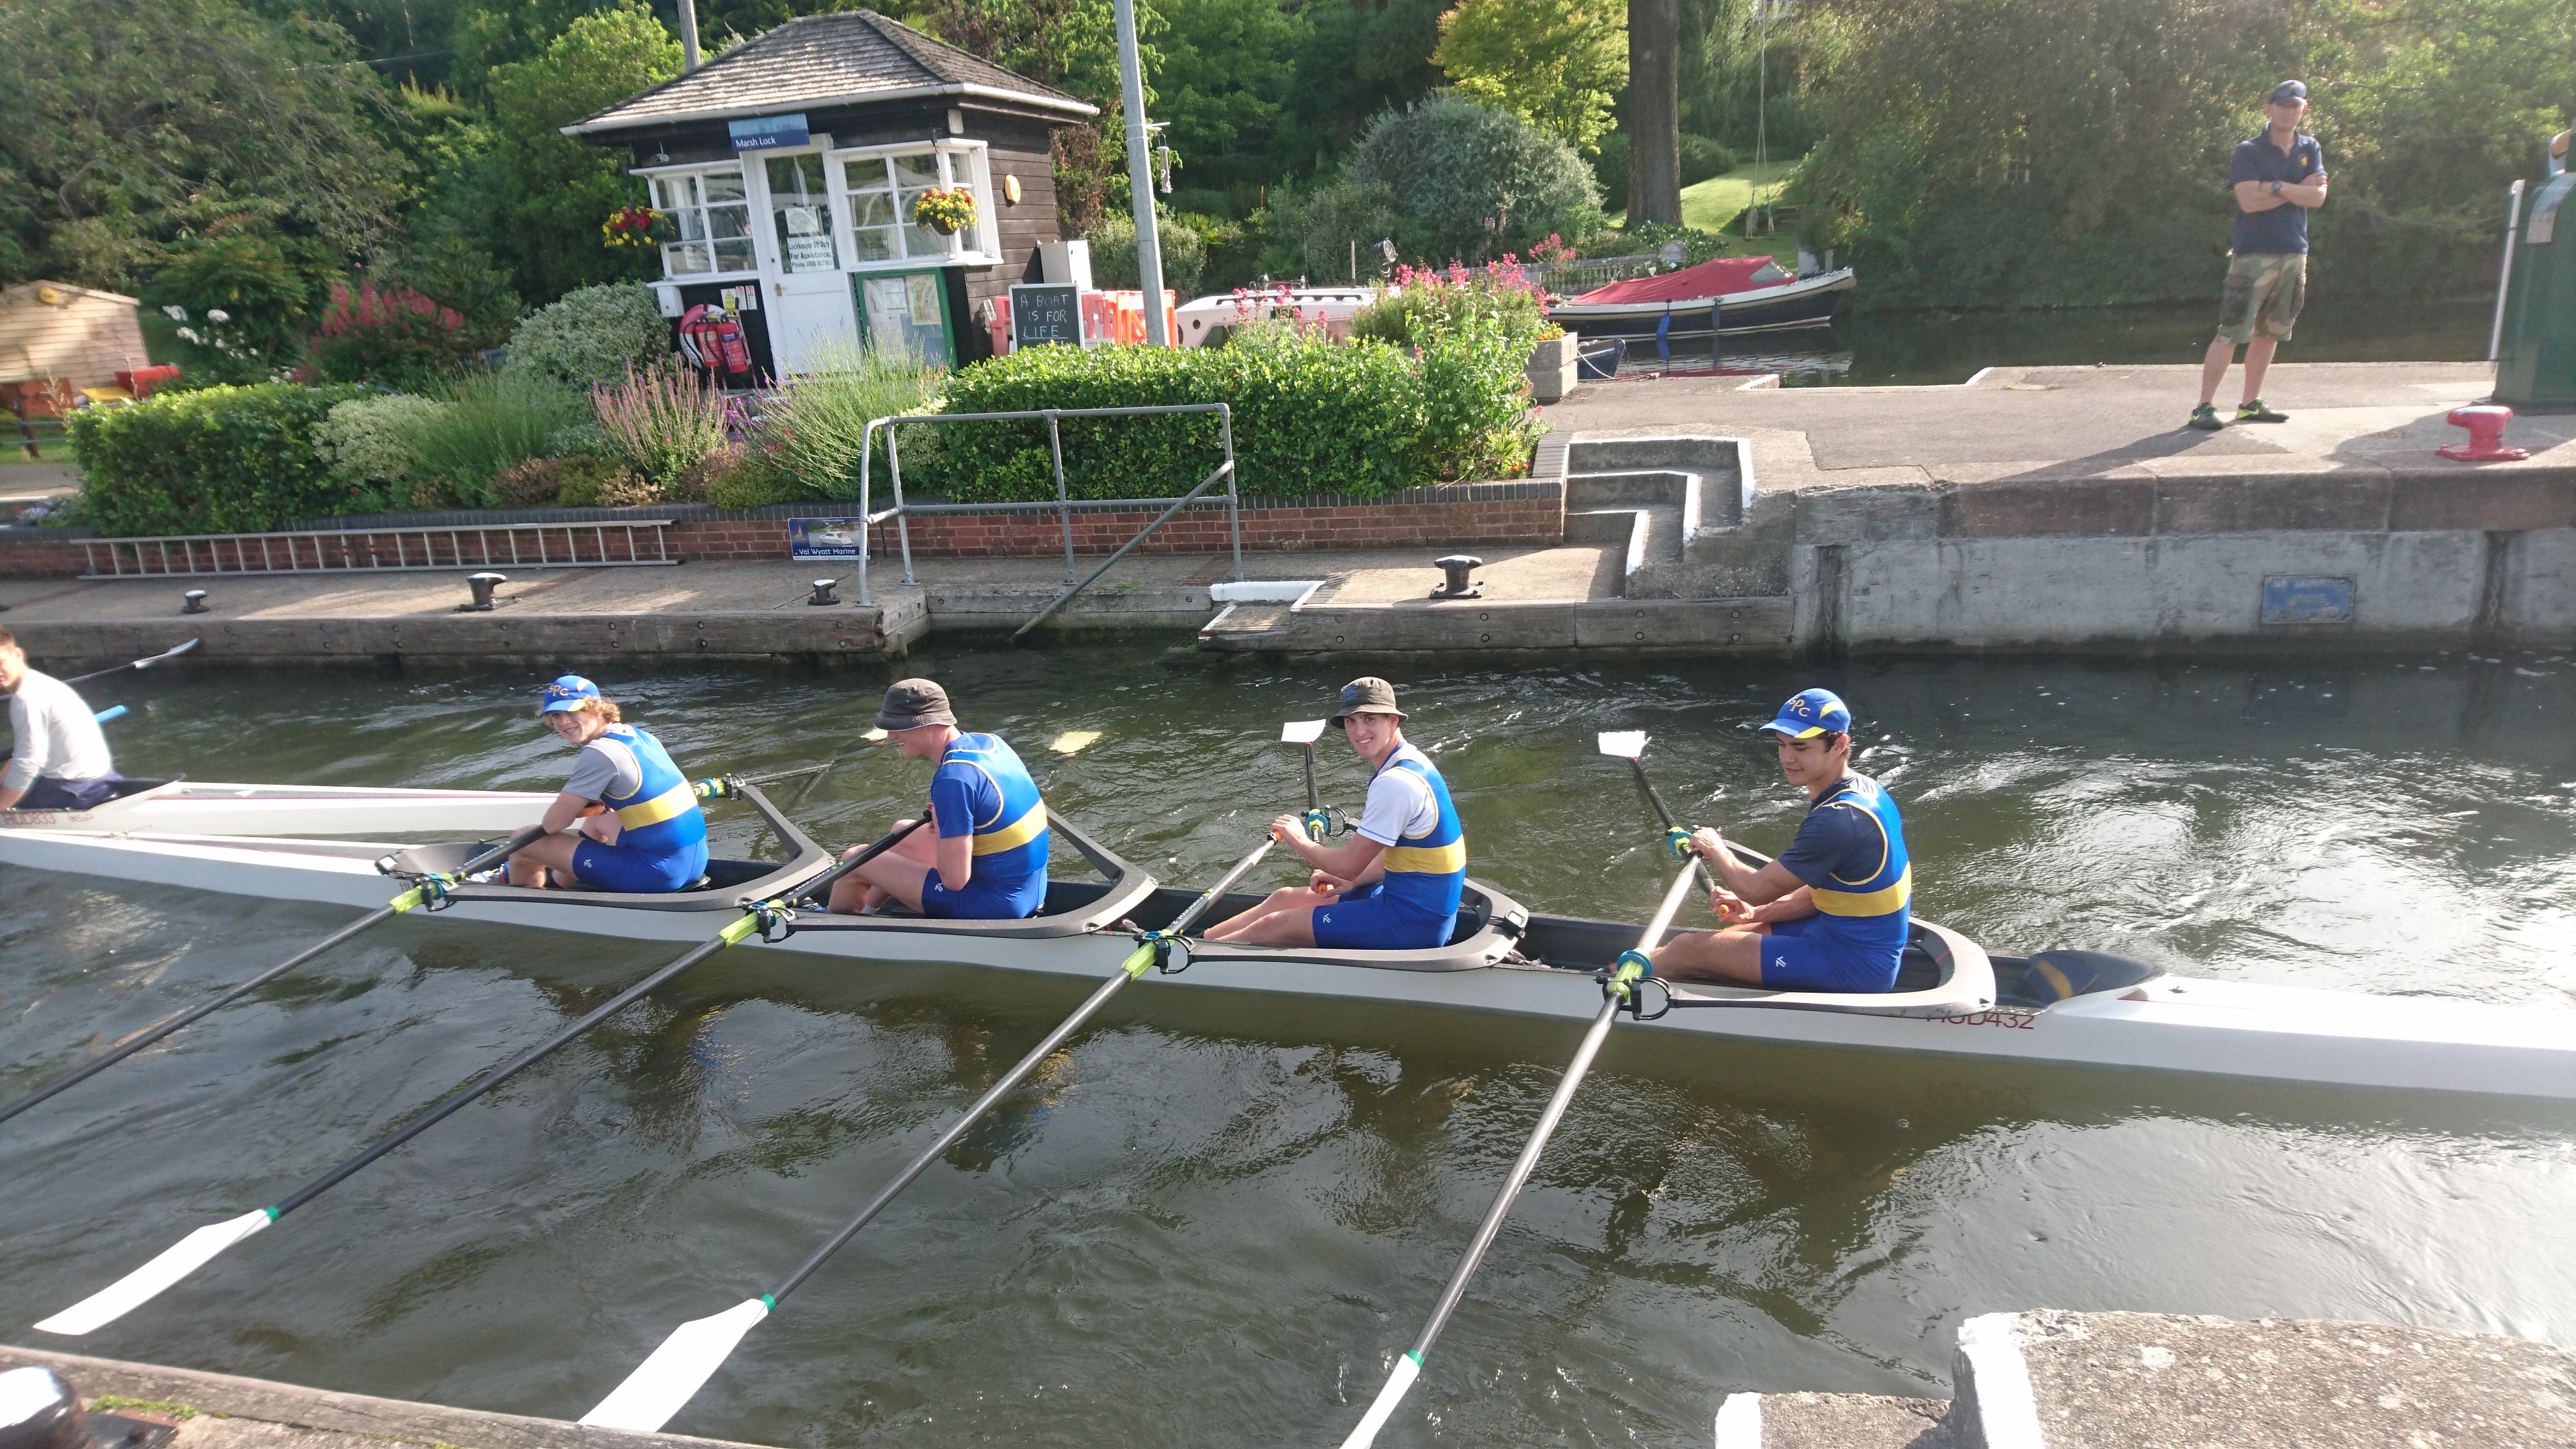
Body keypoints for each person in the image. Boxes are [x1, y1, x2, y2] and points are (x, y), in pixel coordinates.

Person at [1648, 688, 1911, 994]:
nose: (1787, 758)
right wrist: (1755, 912)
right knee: (1738, 929)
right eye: (1781, 745)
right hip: (1833, 931)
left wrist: (1714, 847)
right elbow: (1817, 891)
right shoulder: (1865, 788)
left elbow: (1754, 890)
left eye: (1800, 747)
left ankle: (1607, 981)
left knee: (1686, 948)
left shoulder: (1839, 820)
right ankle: (1634, 971)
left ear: (1839, 745)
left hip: (1855, 964)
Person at [1201, 677, 1464, 949]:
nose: (1359, 730)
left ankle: (1190, 962)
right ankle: (1199, 942)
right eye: (1351, 721)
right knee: (1283, 898)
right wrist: (1354, 883)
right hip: (1406, 900)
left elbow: (1347, 866)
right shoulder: (1410, 760)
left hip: (1414, 923)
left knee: (1276, 924)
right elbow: (1393, 853)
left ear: (1393, 720)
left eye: (1369, 719)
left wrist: (1299, 839)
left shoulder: (1396, 783)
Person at [827, 679, 1051, 919]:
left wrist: (944, 824)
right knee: (902, 832)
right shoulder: (992, 743)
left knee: (855, 860)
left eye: (898, 726)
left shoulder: (953, 779)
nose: (891, 736)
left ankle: (832, 929)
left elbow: (955, 881)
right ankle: (868, 914)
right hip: (1029, 891)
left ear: (929, 725)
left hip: (994, 905)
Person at [2191, 80, 2328, 433]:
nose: (2289, 111)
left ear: (2304, 110)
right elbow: (2249, 203)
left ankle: (2250, 404)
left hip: (2294, 253)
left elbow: (2319, 198)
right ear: (2269, 109)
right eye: (2282, 105)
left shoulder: (2309, 147)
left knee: (2271, 333)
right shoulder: (2249, 151)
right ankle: (2203, 407)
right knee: (2232, 331)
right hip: (2253, 255)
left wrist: (2277, 186)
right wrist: (2297, 190)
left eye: (2295, 105)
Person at [507, 676, 709, 892]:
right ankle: (560, 884)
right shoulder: (639, 736)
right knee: (598, 821)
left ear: (597, 708)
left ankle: (526, 908)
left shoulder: (599, 752)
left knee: (522, 840)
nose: (564, 722)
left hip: (657, 873)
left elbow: (553, 824)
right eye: (556, 715)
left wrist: (575, 807)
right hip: (693, 862)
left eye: (573, 711)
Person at [0, 627, 123, 811]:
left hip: (73, 793)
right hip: (104, 780)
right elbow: (24, 754)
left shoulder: (25, 698)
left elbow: (28, 764)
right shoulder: (44, 683)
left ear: (18, 654)